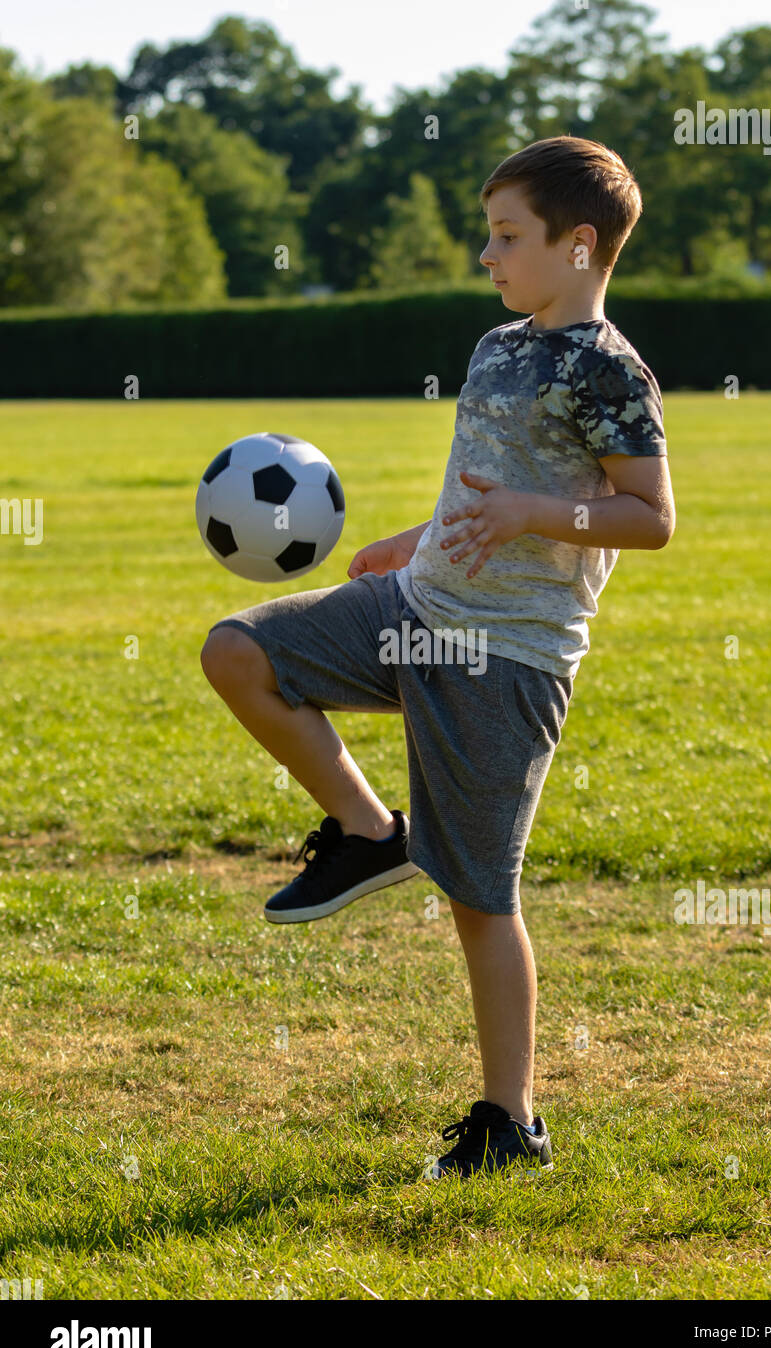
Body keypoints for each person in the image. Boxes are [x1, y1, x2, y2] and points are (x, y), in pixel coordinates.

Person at [200, 135, 675, 1179]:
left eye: (506, 236)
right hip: (416, 603)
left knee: (478, 896)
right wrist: (418, 540)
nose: (485, 254)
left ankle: (509, 1121)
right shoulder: (497, 347)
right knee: (238, 651)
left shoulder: (609, 371)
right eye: (488, 233)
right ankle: (370, 833)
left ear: (578, 245)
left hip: (507, 654)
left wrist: (530, 516)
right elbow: (482, 482)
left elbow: (649, 518)